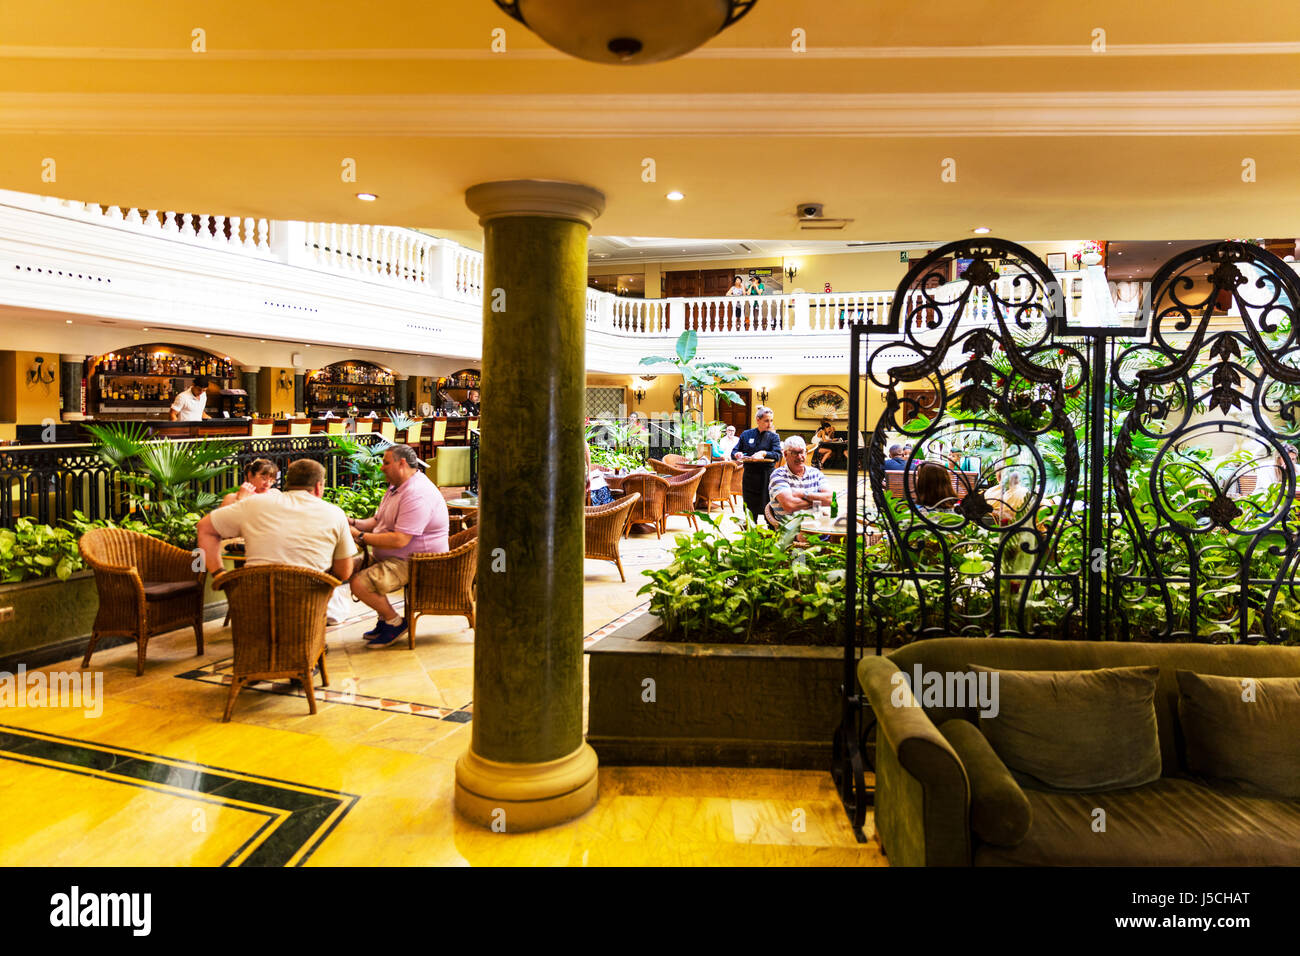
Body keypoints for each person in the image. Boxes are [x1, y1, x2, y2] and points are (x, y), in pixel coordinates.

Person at [347, 444, 450, 648]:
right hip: (396, 557)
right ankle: (385, 620)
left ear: (401, 463)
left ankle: (394, 623)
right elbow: (378, 521)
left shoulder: (417, 493)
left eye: (386, 463)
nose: (381, 468)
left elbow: (400, 540)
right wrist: (351, 522)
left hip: (419, 561)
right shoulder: (396, 487)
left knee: (359, 582)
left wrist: (360, 536)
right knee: (348, 568)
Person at [196, 458, 359, 586]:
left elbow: (204, 527)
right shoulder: (335, 513)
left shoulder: (255, 504)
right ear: (318, 487)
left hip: (254, 600)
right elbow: (344, 572)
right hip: (308, 604)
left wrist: (219, 574)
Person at [732, 405, 782, 519]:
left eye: (771, 420)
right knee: (749, 509)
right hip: (749, 476)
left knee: (768, 508)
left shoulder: (774, 437)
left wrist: (764, 453)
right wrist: (737, 454)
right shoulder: (746, 434)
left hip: (766, 476)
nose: (769, 424)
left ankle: (770, 532)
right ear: (758, 420)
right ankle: (750, 532)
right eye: (766, 421)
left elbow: (778, 455)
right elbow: (735, 450)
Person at [768, 436, 832, 518]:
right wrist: (817, 501)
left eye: (802, 452)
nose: (799, 457)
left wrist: (803, 494)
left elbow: (830, 500)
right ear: (785, 454)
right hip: (791, 528)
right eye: (794, 453)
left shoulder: (816, 473)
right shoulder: (778, 475)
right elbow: (790, 505)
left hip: (815, 525)